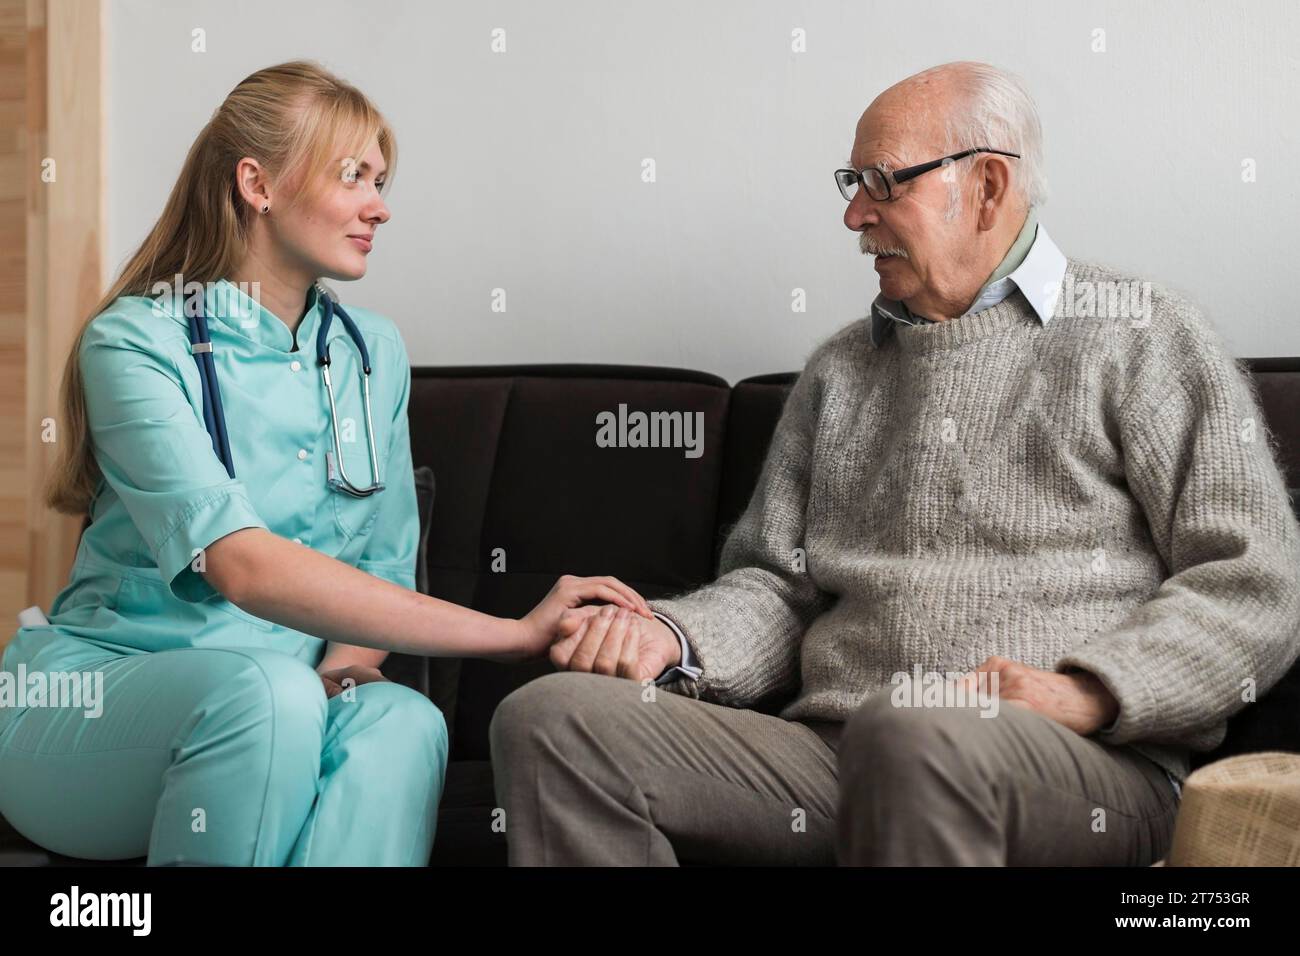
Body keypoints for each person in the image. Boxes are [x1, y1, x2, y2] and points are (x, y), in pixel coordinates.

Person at [489, 60, 1300, 866]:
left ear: (986, 186)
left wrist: (1091, 690)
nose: (853, 215)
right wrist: (672, 636)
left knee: (909, 729)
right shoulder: (841, 371)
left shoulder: (1143, 334)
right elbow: (779, 587)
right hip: (834, 757)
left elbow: (1256, 581)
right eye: (852, 181)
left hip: (1079, 770)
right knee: (552, 721)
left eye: (883, 181)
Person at [0, 60, 651, 866]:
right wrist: (513, 634)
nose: (379, 206)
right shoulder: (137, 342)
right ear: (257, 183)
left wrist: (339, 678)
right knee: (264, 697)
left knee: (401, 722)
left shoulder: (372, 354)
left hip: (284, 703)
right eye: (355, 176)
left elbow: (380, 567)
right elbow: (243, 567)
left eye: (381, 180)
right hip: (94, 708)